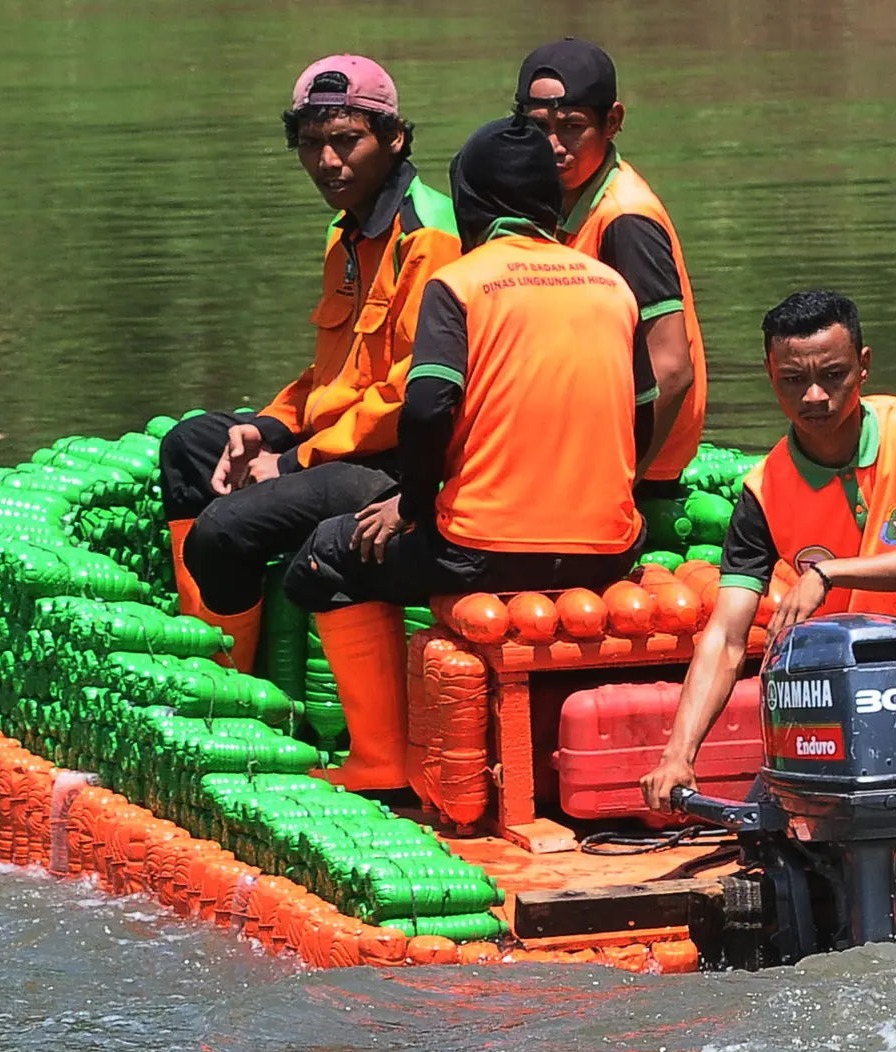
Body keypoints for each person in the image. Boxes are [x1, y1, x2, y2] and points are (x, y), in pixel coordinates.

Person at [265, 115, 651, 790]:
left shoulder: (461, 283)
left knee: (326, 558)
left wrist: (412, 504)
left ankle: (379, 762)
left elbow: (425, 409)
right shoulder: (612, 286)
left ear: (469, 203)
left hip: (484, 550)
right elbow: (644, 409)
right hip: (610, 548)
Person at [639, 289, 896, 861]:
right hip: (856, 680)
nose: (815, 396)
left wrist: (829, 572)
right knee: (768, 844)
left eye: (833, 375)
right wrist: (679, 753)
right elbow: (725, 636)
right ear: (770, 375)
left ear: (863, 366)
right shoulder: (763, 490)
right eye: (794, 379)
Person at [158, 55, 460, 669]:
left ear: (394, 138)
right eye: (310, 143)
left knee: (223, 531)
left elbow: (410, 397)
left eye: (346, 140)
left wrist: (292, 461)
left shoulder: (428, 238)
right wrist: (267, 429)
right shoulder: (345, 233)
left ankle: (228, 685)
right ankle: (203, 648)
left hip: (398, 465)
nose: (327, 161)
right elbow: (332, 373)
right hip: (341, 441)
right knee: (189, 447)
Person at [514, 38, 706, 487]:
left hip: (631, 461)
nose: (553, 146)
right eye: (538, 127)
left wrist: (619, 479)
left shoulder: (625, 219)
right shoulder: (558, 199)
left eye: (572, 127)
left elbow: (672, 369)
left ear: (612, 122)